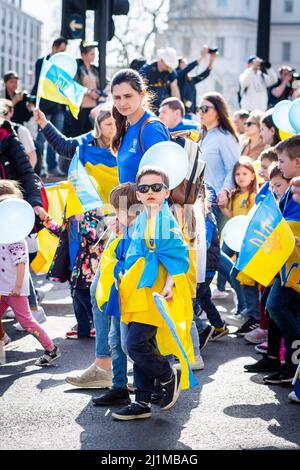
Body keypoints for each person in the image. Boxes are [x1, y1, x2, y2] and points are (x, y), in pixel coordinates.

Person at [112, 166, 194, 421]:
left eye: (156, 188)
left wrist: (169, 285)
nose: (150, 192)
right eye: (144, 188)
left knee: (134, 344)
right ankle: (142, 401)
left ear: (166, 192)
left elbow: (176, 256)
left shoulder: (165, 220)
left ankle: (167, 374)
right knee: (141, 343)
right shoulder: (145, 218)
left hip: (154, 291)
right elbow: (136, 253)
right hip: (138, 289)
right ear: (137, 194)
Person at [0, 181, 60, 366]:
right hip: (4, 288)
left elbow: (21, 265)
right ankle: (3, 340)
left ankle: (51, 348)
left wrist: (18, 287)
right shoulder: (3, 235)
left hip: (14, 290)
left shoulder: (16, 240)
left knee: (27, 322)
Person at [92, 183, 141, 406]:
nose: (113, 212)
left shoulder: (141, 229)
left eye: (117, 207)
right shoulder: (124, 230)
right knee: (115, 339)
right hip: (117, 290)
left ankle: (154, 383)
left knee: (128, 343)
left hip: (131, 292)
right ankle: (119, 386)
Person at [262, 136, 300, 386]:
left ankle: (294, 362)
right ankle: (288, 363)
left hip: (294, 268)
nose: (280, 165)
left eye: (282, 161)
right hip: (287, 265)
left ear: (297, 161)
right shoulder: (290, 190)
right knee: (275, 307)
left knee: (276, 306)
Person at [40, 209, 104, 339]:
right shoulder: (70, 215)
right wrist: (48, 221)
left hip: (87, 268)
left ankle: (100, 326)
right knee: (76, 299)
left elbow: (96, 237)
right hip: (73, 267)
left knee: (84, 296)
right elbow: (62, 233)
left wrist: (84, 221)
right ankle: (83, 329)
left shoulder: (93, 212)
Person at [220, 158, 261, 336]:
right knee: (233, 271)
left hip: (249, 242)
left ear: (253, 175)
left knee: (243, 275)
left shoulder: (253, 196)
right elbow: (232, 217)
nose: (241, 177)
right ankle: (246, 311)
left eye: (245, 173)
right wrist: (222, 208)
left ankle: (252, 315)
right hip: (235, 238)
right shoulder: (235, 195)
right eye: (237, 174)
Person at [111, 68, 170, 184]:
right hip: (126, 202)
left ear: (142, 94)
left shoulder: (152, 129)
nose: (122, 103)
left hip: (147, 202)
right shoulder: (126, 125)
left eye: (128, 96)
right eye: (117, 98)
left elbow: (161, 184)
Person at [31, 36, 68, 177]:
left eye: (64, 51)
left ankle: (52, 167)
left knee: (56, 137)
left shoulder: (64, 64)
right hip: (44, 106)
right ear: (54, 48)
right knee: (41, 138)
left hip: (59, 106)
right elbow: (39, 82)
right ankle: (39, 167)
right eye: (60, 50)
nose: (62, 53)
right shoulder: (42, 62)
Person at [65, 41, 101, 138]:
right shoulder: (77, 69)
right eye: (91, 54)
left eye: (94, 54)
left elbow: (100, 85)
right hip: (81, 108)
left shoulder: (94, 70)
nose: (93, 56)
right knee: (78, 135)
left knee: (92, 136)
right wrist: (89, 93)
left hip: (93, 108)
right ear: (83, 55)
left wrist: (98, 93)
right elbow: (73, 86)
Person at [176, 46, 217, 117]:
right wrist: (202, 56)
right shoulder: (177, 77)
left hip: (191, 113)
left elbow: (203, 75)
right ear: (177, 65)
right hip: (181, 114)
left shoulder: (190, 79)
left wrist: (211, 60)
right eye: (183, 62)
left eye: (186, 62)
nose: (185, 64)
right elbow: (188, 68)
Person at [139, 47, 180, 112]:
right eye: (167, 65)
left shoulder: (170, 70)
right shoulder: (147, 70)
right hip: (148, 106)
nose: (168, 68)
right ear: (161, 60)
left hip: (164, 107)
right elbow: (140, 88)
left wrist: (178, 105)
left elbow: (174, 87)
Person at [0, 98, 37, 169]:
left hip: (17, 178)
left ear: (11, 112)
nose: (1, 114)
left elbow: (32, 158)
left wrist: (25, 177)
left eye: (4, 111)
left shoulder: (21, 130)